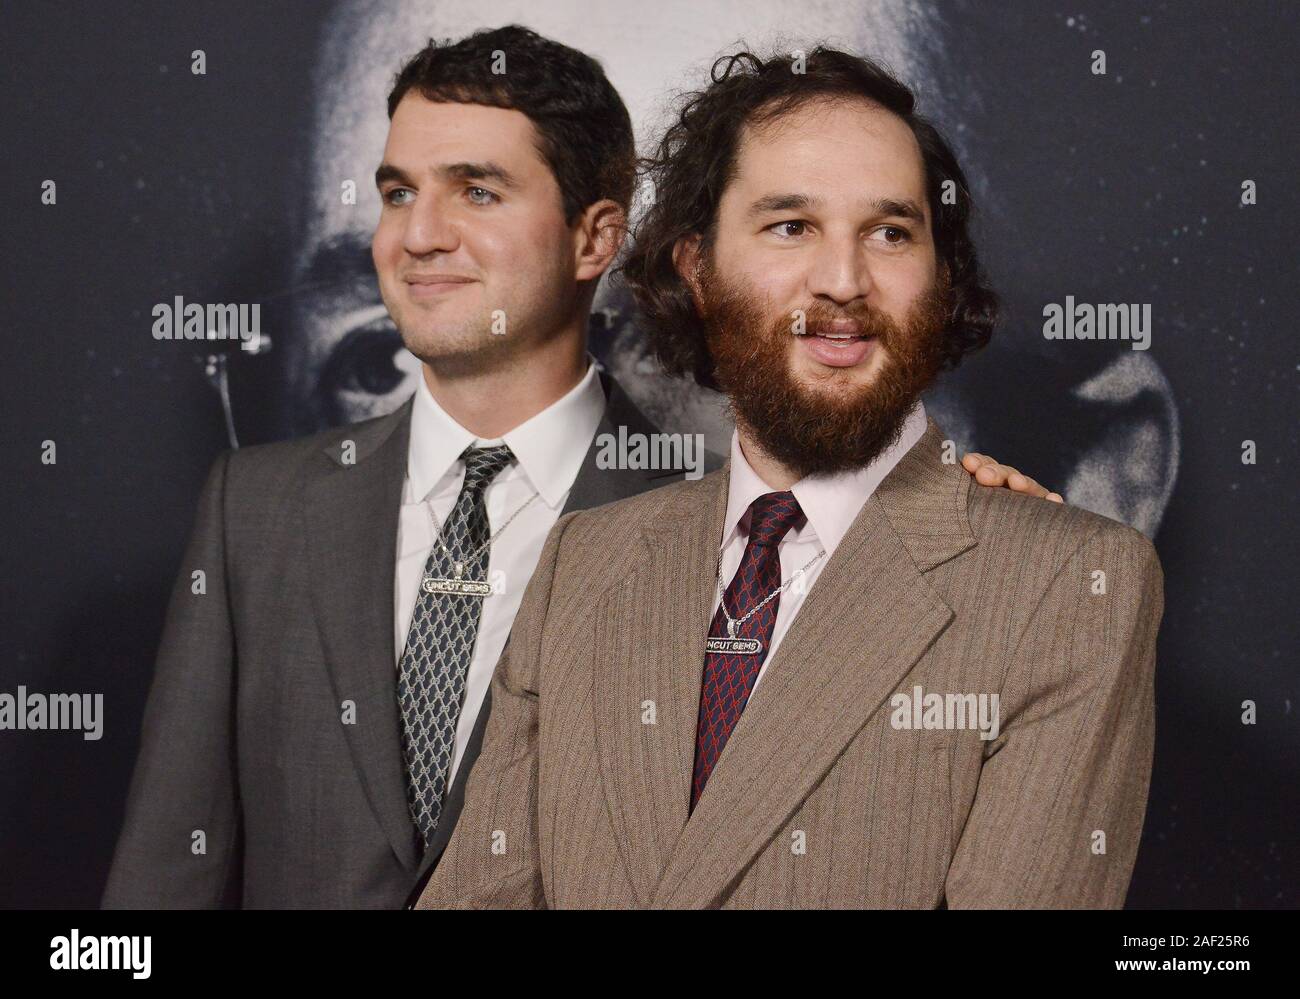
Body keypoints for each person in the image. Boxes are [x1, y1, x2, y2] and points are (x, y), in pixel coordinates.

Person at [104, 28, 1055, 909]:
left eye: (475, 190)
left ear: (596, 239)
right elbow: (161, 879)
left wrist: (960, 525)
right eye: (398, 192)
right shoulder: (256, 510)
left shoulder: (735, 526)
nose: (418, 235)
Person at [417, 45, 1161, 909]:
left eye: (891, 232)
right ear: (697, 268)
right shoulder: (582, 563)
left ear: (941, 274)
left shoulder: (1069, 586)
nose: (842, 281)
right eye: (790, 226)